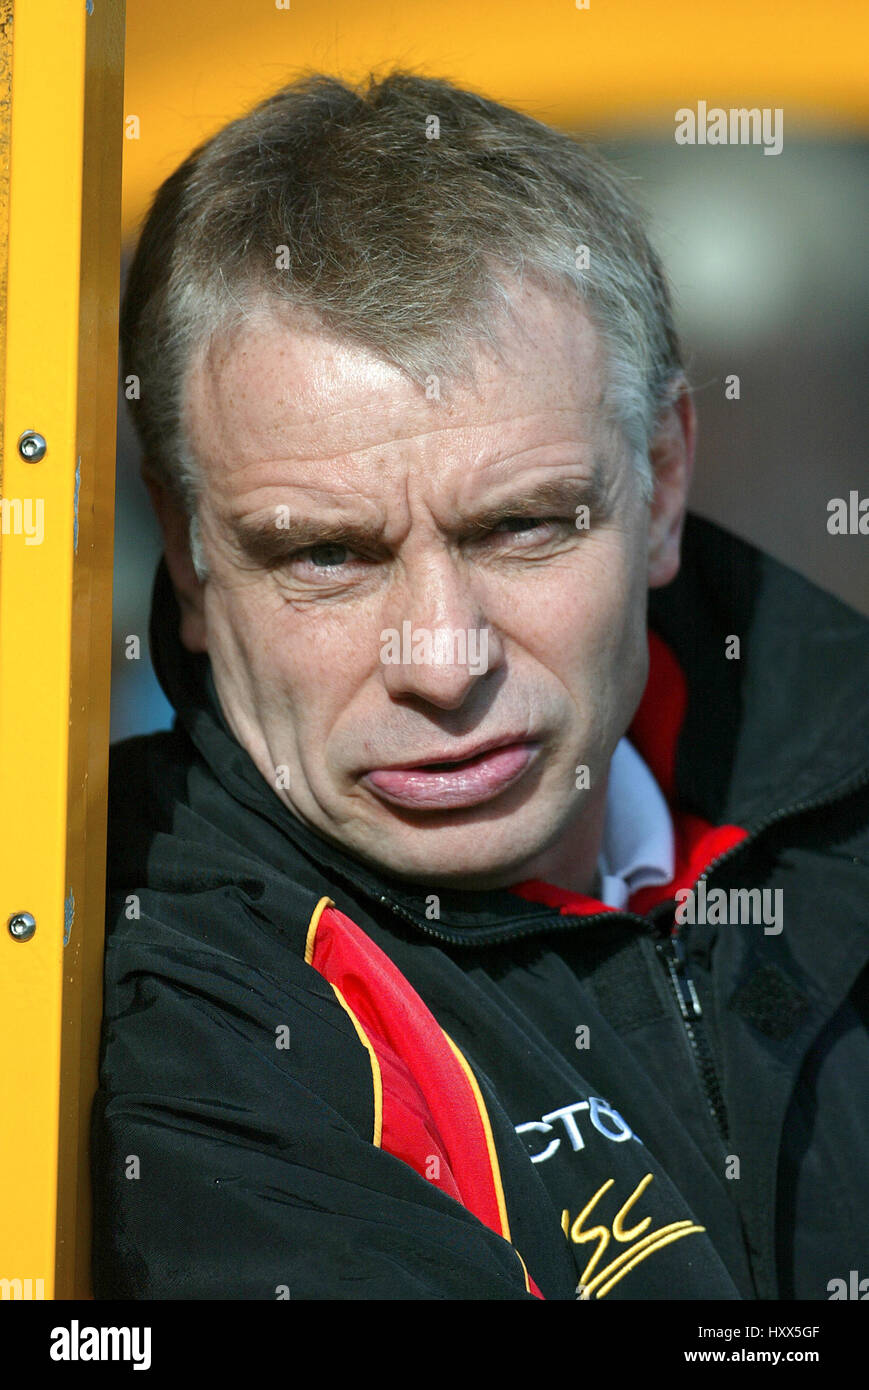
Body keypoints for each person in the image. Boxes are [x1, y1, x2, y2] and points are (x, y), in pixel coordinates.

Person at [92, 70, 869, 1300]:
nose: (443, 664)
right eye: (325, 555)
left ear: (662, 479)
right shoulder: (150, 986)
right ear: (185, 550)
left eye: (518, 527)